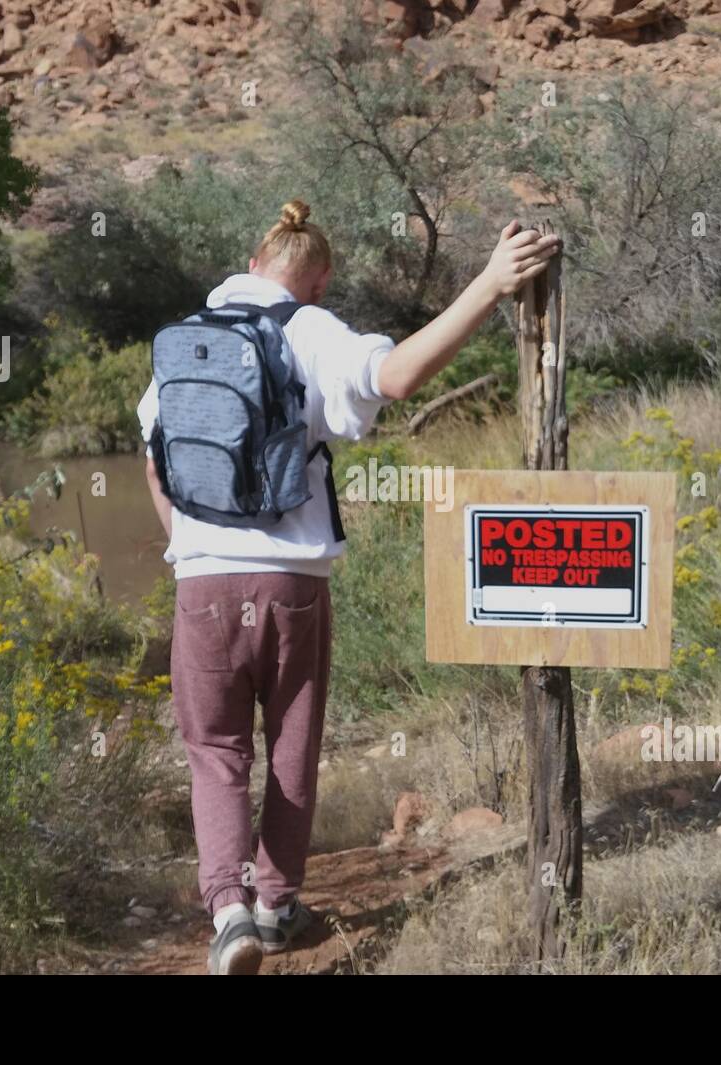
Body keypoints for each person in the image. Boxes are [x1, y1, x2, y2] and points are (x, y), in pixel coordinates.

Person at [138, 199, 560, 974]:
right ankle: (275, 906)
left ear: (253, 260)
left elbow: (157, 463)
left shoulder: (187, 338)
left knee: (215, 752)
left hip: (199, 582)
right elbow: (396, 375)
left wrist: (188, 548)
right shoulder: (306, 328)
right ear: (319, 281)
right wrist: (490, 284)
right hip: (290, 583)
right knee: (291, 747)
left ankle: (227, 915)